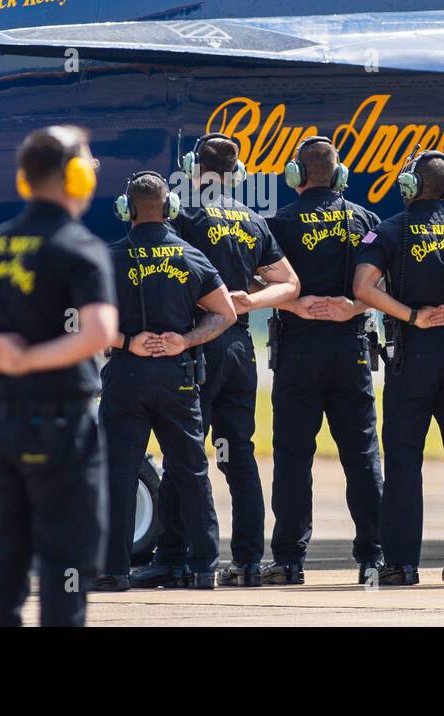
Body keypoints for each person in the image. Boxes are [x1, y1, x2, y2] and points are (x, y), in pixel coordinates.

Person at [0, 125, 117, 627]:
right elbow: (100, 332)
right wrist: (33, 358)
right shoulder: (80, 247)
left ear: (24, 179)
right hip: (62, 427)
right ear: (77, 178)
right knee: (66, 565)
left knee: (6, 562)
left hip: (7, 426)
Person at [132, 134, 300, 588]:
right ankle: (247, 560)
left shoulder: (184, 215)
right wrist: (248, 301)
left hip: (198, 343)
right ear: (237, 172)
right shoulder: (252, 219)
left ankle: (173, 558)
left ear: (189, 166)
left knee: (183, 455)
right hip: (240, 346)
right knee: (238, 454)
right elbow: (290, 285)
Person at [96, 171, 238, 591]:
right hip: (177, 377)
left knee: (118, 474)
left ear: (127, 209)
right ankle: (202, 569)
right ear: (170, 208)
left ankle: (113, 572)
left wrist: (129, 341)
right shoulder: (191, 256)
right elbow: (226, 313)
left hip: (126, 374)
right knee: (192, 471)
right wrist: (184, 340)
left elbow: (80, 323)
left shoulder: (109, 258)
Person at [352, 150, 444, 585]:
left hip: (413, 354)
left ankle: (402, 565)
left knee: (404, 461)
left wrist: (412, 315)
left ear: (407, 187)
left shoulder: (388, 231)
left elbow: (362, 287)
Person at [262, 136, 384, 585]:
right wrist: (355, 306)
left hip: (298, 351)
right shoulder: (366, 220)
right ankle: (373, 556)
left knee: (293, 456)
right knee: (362, 455)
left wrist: (295, 304)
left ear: (296, 176)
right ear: (340, 175)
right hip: (350, 349)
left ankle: (290, 561)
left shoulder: (278, 223)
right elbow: (382, 280)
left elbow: (257, 276)